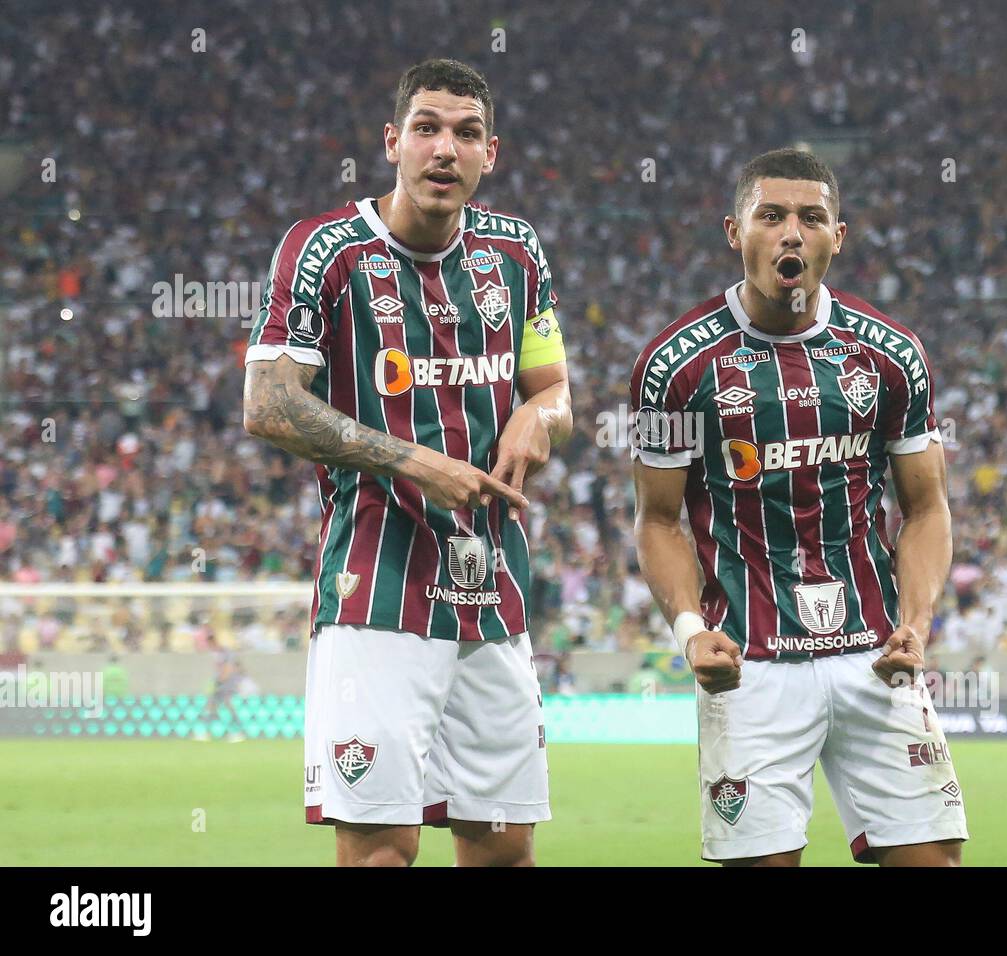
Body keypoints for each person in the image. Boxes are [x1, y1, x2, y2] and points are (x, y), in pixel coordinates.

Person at [242, 59, 572, 867]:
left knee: (505, 853)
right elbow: (268, 405)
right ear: (393, 142)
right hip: (375, 589)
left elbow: (557, 390)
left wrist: (540, 417)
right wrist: (411, 460)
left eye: (466, 133)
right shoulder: (326, 252)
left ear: (490, 153)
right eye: (426, 128)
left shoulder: (517, 253)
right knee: (384, 852)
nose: (444, 149)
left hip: (492, 591)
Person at [631, 149, 966, 867]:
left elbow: (927, 508)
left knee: (934, 861)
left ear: (837, 237)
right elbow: (657, 521)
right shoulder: (676, 366)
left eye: (811, 218)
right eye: (771, 215)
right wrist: (691, 632)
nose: (792, 233)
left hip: (875, 655)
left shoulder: (890, 354)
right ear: (734, 231)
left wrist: (916, 621)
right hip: (750, 662)